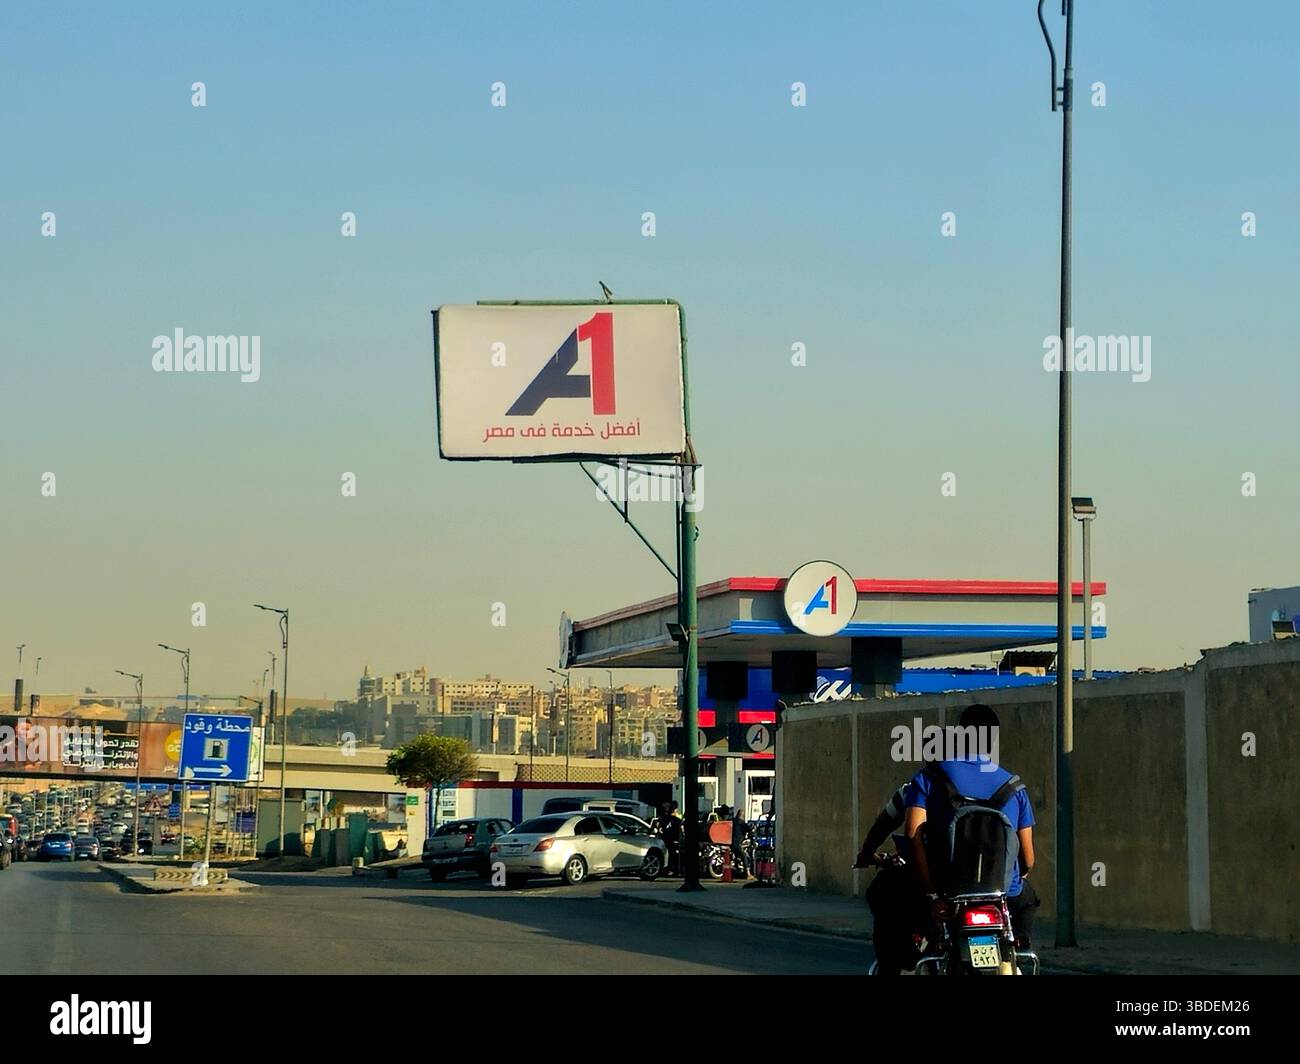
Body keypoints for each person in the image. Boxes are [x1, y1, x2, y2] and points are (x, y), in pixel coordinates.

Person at [902, 703, 1039, 947]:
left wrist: (932, 895)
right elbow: (1027, 859)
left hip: (948, 893)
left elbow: (912, 835)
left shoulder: (928, 778)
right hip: (1002, 893)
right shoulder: (1014, 786)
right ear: (993, 741)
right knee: (1028, 900)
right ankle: (1019, 948)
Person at [856, 782, 929, 974]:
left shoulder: (922, 785)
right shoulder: (1005, 785)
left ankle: (892, 966)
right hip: (993, 886)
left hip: (930, 881)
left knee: (879, 893)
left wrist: (867, 854)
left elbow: (883, 827)